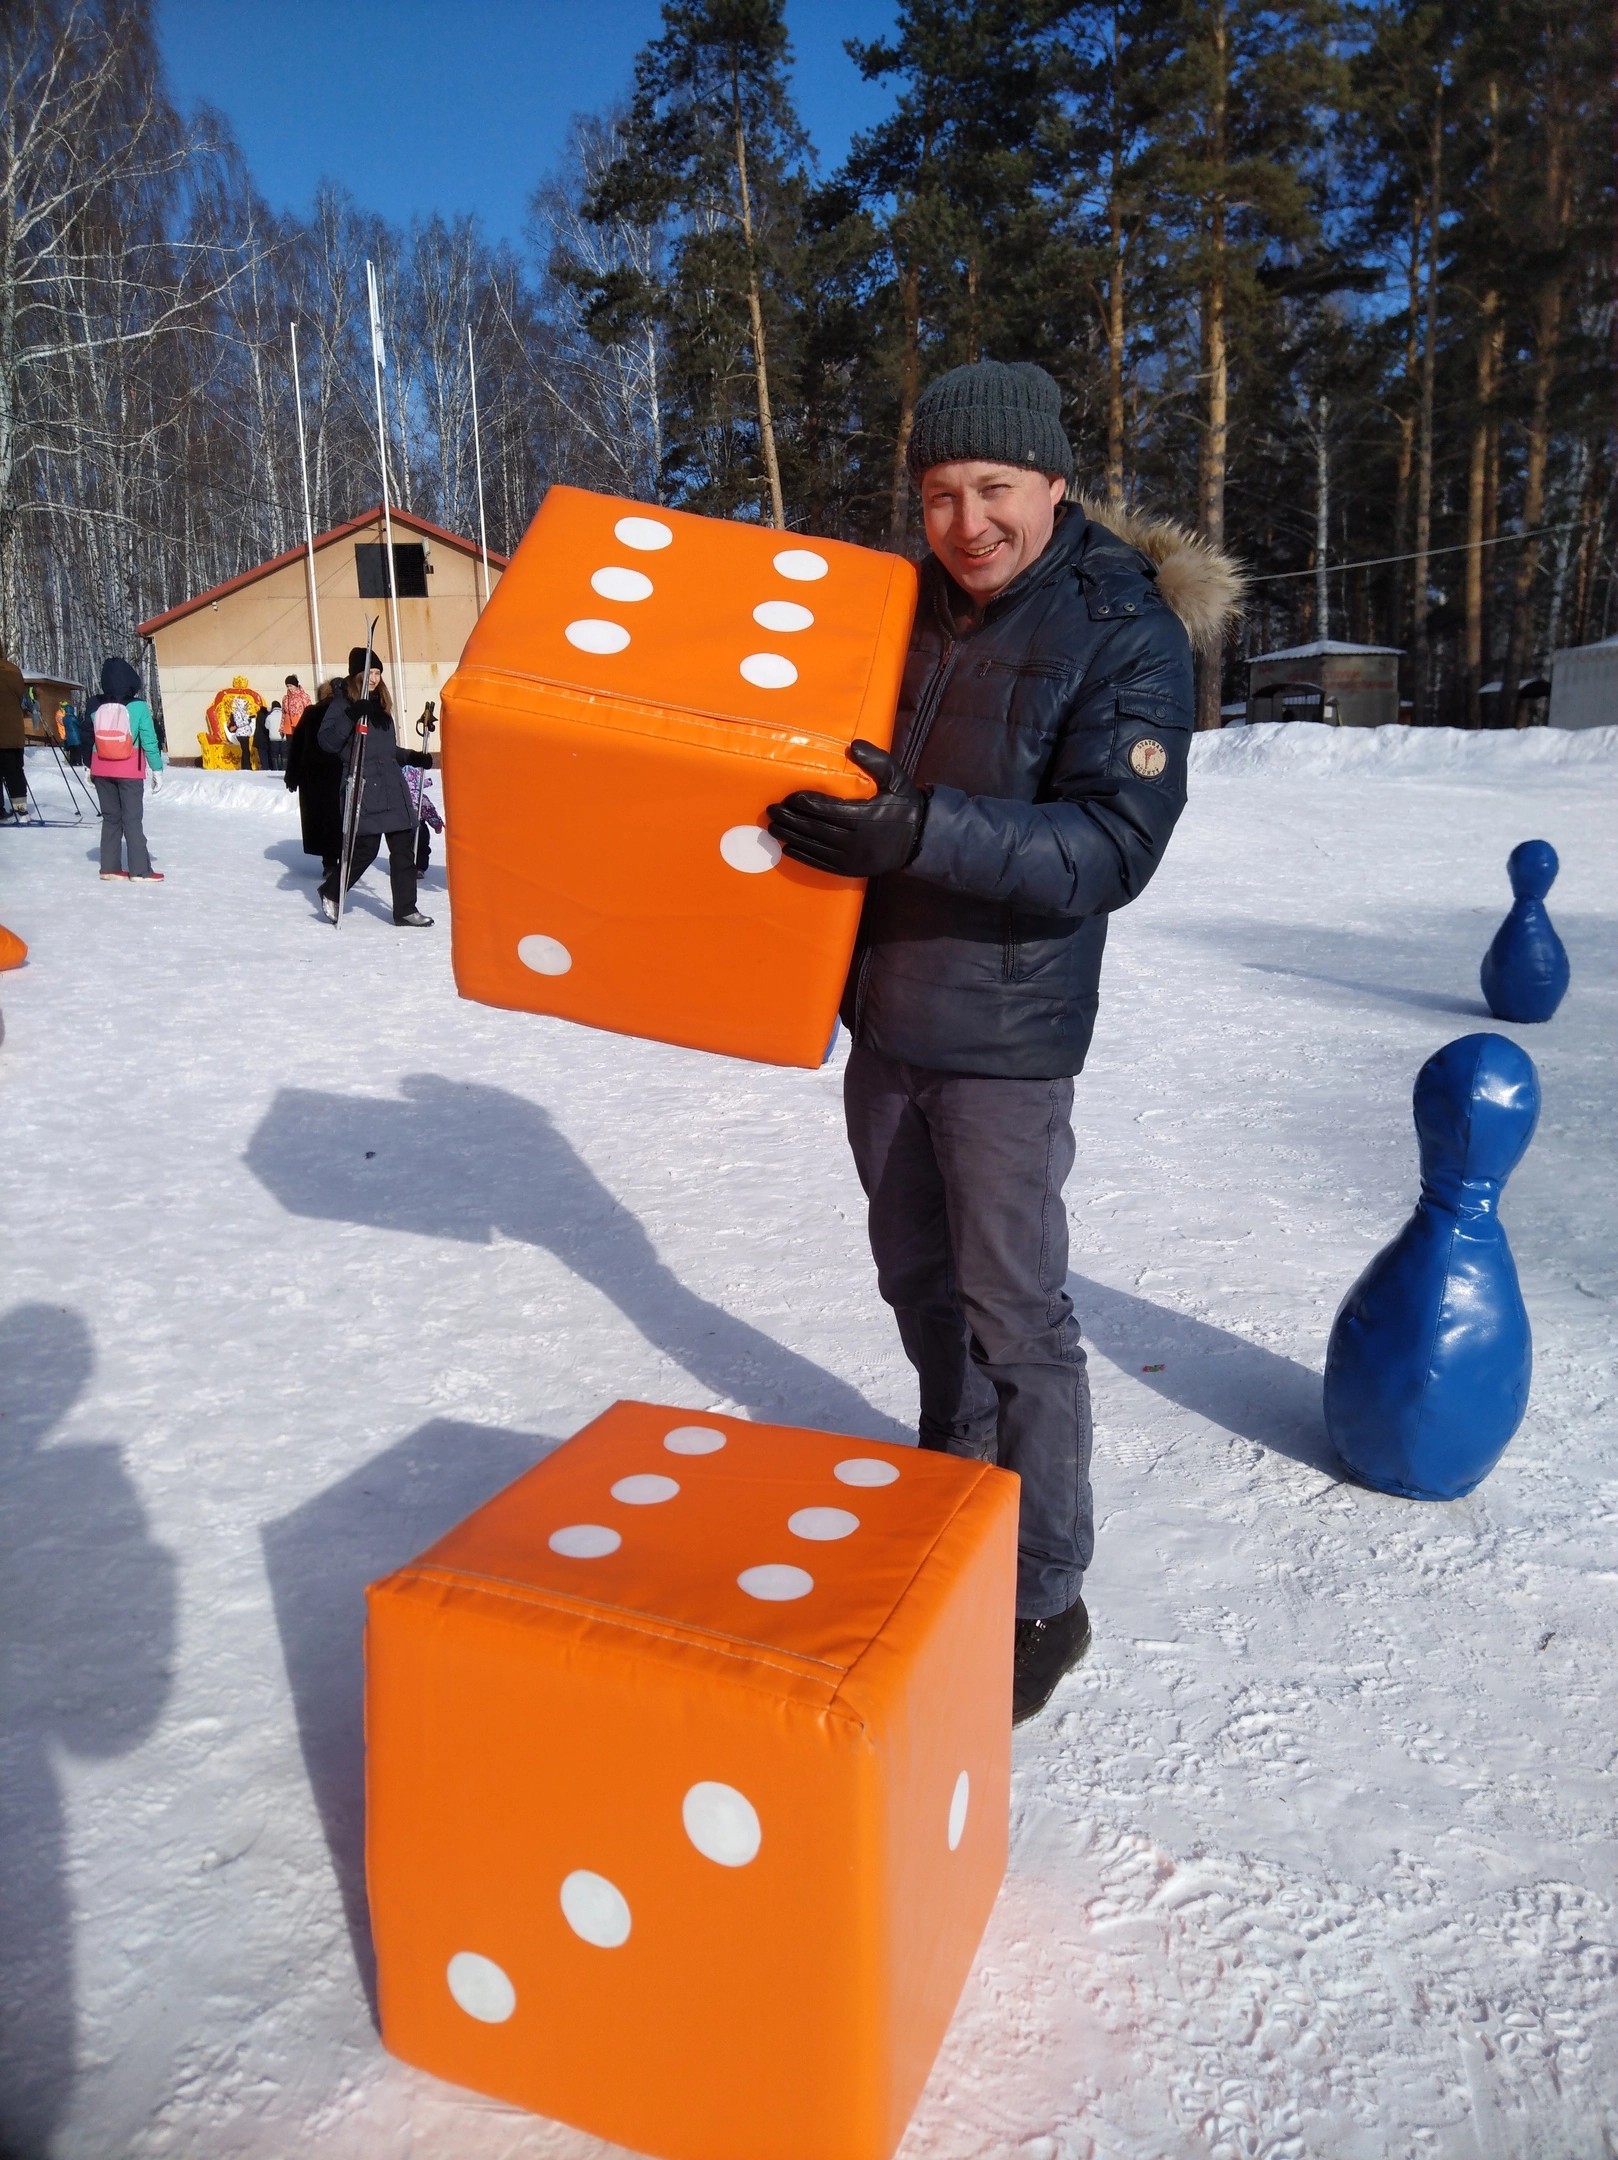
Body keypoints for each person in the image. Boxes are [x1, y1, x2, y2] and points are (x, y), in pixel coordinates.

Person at [767, 360, 1238, 1725]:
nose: (965, 522)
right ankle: (951, 1470)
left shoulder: (1122, 629)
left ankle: (1044, 1588)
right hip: (886, 1015)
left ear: (1052, 485)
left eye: (991, 489)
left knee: (1014, 1313)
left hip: (1008, 1034)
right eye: (937, 495)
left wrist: (916, 829)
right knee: (914, 1276)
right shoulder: (896, 609)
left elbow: (1110, 846)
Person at [316, 648, 433, 927]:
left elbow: (387, 751)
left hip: (392, 788)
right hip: (365, 789)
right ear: (357, 674)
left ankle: (405, 910)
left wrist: (412, 757)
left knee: (404, 850)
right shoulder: (342, 704)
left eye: (378, 673)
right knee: (365, 851)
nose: (374, 678)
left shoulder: (381, 707)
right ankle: (331, 891)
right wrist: (351, 715)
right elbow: (327, 742)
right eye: (369, 672)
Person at [87, 654, 164, 880]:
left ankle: (109, 868)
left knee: (111, 818)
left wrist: (88, 766)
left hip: (101, 768)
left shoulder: (94, 704)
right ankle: (140, 870)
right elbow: (149, 740)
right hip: (129, 770)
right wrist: (157, 768)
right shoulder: (138, 707)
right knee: (132, 820)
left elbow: (87, 737)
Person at [283, 679, 343, 865]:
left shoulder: (311, 712)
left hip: (314, 775)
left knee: (322, 818)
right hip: (341, 771)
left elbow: (297, 746)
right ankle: (346, 859)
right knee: (341, 817)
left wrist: (292, 776)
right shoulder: (346, 711)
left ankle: (329, 862)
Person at [0, 641, 27, 820]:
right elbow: (20, 696)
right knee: (15, 771)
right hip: (13, 733)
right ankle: (20, 809)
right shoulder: (13, 670)